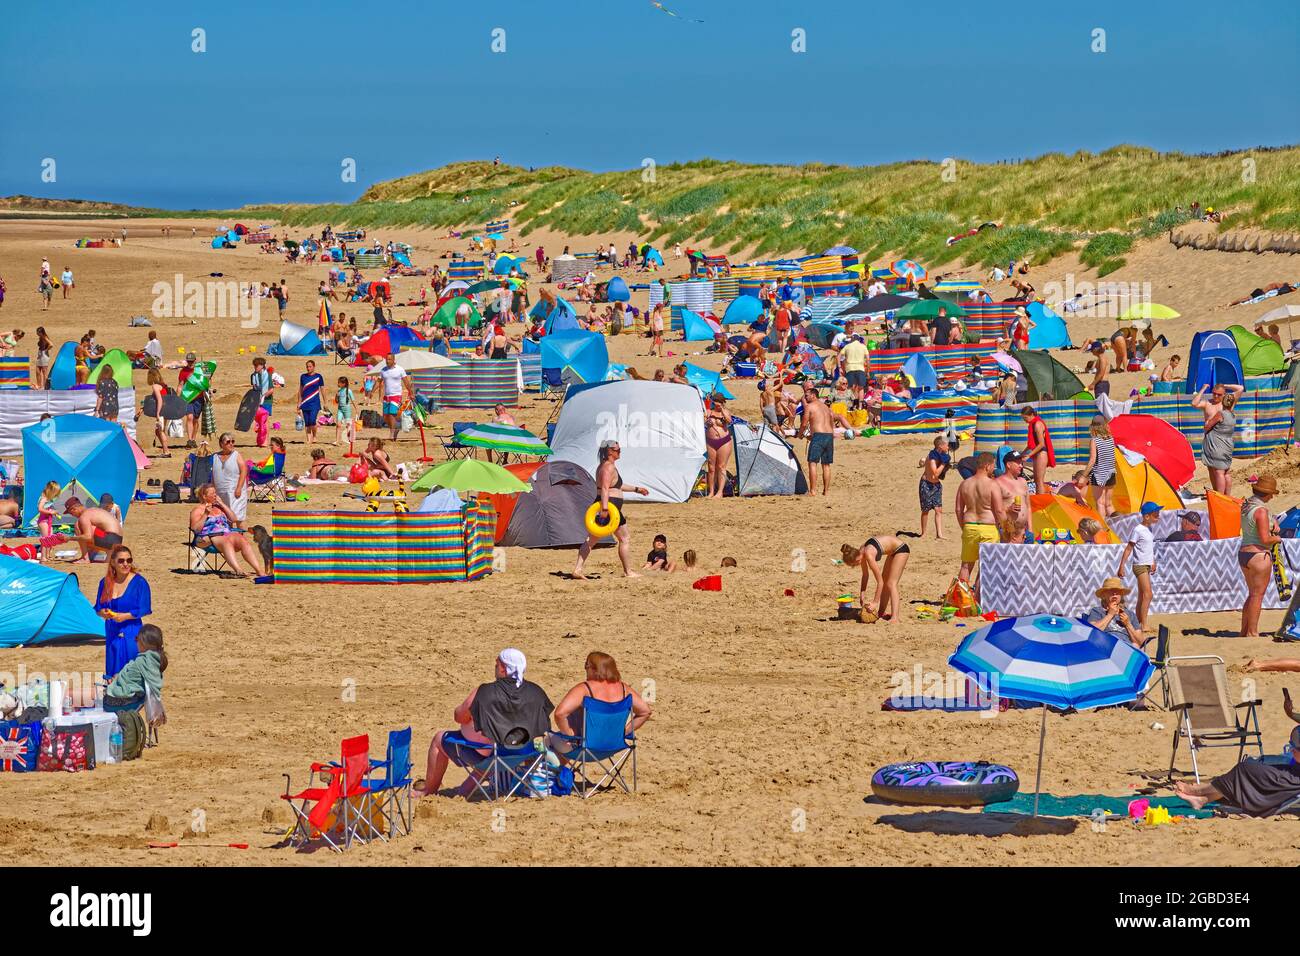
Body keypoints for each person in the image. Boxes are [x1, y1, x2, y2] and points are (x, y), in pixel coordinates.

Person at [411, 649, 554, 798]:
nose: (494, 666)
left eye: (496, 663)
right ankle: (466, 788)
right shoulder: (535, 691)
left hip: (491, 757)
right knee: (492, 743)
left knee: (439, 739)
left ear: (503, 669)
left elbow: (459, 716)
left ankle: (428, 790)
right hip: (524, 753)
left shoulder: (484, 692)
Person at [1174, 690, 1300, 815]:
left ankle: (1198, 791)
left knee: (1245, 769)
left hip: (1295, 778)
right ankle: (1202, 799)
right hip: (1293, 770)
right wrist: (1290, 714)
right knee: (1249, 766)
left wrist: (1295, 750)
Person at [551, 652, 653, 754]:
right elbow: (645, 712)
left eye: (586, 665)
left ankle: (562, 770)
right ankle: (564, 769)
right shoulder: (624, 689)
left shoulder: (584, 689)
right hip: (613, 747)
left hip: (584, 748)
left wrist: (569, 736)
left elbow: (560, 714)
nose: (585, 669)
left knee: (547, 740)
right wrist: (624, 732)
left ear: (594, 668)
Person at [574, 440, 648, 579]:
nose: (620, 452)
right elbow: (606, 488)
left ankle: (578, 570)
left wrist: (637, 489)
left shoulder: (606, 466)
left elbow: (617, 486)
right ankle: (628, 572)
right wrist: (605, 508)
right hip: (609, 506)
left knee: (592, 540)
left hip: (608, 505)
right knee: (625, 538)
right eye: (618, 450)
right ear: (610, 452)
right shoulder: (608, 467)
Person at [94, 544, 152, 680]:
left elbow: (144, 608)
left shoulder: (139, 582)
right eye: (121, 561)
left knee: (132, 670)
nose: (126, 564)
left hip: (132, 631)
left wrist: (125, 616)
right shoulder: (105, 582)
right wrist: (103, 613)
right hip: (112, 631)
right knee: (113, 671)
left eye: (129, 560)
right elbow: (98, 607)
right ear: (113, 563)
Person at [955, 452, 1007, 593]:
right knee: (985, 567)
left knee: (966, 566)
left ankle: (962, 600)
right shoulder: (992, 485)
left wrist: (963, 526)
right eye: (993, 466)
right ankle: (978, 599)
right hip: (988, 527)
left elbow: (959, 509)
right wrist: (1007, 529)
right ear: (987, 466)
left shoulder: (965, 484)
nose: (993, 469)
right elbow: (999, 511)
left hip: (970, 526)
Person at [188, 483, 266, 577]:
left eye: (216, 493)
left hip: (226, 533)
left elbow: (233, 519)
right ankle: (238, 570)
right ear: (204, 496)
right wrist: (205, 514)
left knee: (243, 540)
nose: (215, 495)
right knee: (226, 542)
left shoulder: (219, 507)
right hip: (207, 537)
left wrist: (222, 504)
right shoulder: (198, 510)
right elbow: (195, 529)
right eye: (212, 493)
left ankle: (259, 571)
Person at [1239, 476, 1282, 638]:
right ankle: (1252, 632)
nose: (1272, 497)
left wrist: (1273, 525)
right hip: (1258, 555)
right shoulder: (1261, 510)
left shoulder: (1247, 505)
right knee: (1257, 596)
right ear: (1266, 493)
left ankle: (1244, 631)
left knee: (1251, 594)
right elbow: (1265, 539)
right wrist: (1277, 538)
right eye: (1271, 494)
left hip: (1244, 552)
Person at [1117, 501, 1162, 633]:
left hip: (1146, 565)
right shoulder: (1137, 530)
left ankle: (1137, 622)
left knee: (1142, 596)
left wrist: (1152, 561)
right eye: (1155, 514)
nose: (1158, 516)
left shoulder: (1149, 529)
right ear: (1146, 516)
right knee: (1148, 594)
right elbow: (1128, 549)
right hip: (1140, 566)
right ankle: (1144, 625)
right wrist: (1121, 566)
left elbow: (1148, 548)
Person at [1192, 382, 1244, 495]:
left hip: (1219, 442)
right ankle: (1218, 492)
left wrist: (1225, 385)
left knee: (1220, 471)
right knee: (1212, 468)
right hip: (1213, 440)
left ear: (1224, 395)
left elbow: (1241, 388)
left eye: (1219, 394)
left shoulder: (1227, 403)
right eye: (1214, 394)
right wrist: (1203, 388)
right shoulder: (1209, 403)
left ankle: (1220, 495)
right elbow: (1194, 403)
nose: (1216, 396)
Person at [842, 536, 910, 622]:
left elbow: (879, 582)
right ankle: (881, 613)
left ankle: (895, 618)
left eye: (855, 563)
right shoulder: (861, 552)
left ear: (857, 557)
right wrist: (862, 593)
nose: (855, 565)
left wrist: (875, 602)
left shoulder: (868, 554)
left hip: (901, 550)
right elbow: (865, 575)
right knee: (886, 581)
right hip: (893, 551)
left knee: (891, 583)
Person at [104, 623, 166, 707]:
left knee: (95, 696)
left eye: (137, 639)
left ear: (143, 643)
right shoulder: (154, 659)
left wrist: (116, 680)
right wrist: (118, 678)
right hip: (132, 696)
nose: (135, 642)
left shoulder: (143, 661)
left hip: (123, 699)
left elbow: (128, 684)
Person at [1084, 577, 1148, 647]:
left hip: (1126, 648)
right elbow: (1092, 633)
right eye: (1111, 590)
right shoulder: (1097, 611)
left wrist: (1128, 624)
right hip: (1105, 647)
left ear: (1121, 595)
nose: (1114, 593)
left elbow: (1140, 643)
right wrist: (1110, 614)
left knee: (1135, 645)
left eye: (1118, 591)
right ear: (1104, 595)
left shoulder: (1130, 614)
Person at [799, 382, 834, 496]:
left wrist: (800, 435)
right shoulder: (826, 407)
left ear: (813, 395)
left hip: (818, 436)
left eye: (807, 395)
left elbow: (804, 424)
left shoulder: (810, 406)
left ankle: (813, 490)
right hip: (829, 435)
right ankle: (826, 491)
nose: (805, 397)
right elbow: (831, 422)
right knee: (826, 465)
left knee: (812, 463)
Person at [65, 496, 123, 563]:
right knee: (90, 528)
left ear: (74, 509)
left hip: (111, 540)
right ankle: (97, 554)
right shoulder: (93, 510)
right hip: (118, 541)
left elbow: (88, 536)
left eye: (71, 513)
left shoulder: (84, 516)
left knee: (78, 526)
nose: (72, 515)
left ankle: (85, 558)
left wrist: (69, 538)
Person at [369, 353, 411, 442]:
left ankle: (391, 434)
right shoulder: (383, 370)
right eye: (386, 359)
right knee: (385, 416)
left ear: (393, 360)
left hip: (396, 395)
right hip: (386, 396)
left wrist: (411, 392)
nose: (387, 361)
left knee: (392, 414)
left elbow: (406, 382)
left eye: (389, 359)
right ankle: (395, 429)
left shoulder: (400, 369)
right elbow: (378, 382)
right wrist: (372, 391)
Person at [212, 432, 248, 528]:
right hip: (221, 492)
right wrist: (213, 490)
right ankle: (230, 538)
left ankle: (241, 539)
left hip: (235, 491)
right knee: (226, 516)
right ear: (221, 444)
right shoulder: (215, 457)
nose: (231, 444)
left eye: (233, 441)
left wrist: (239, 488)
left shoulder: (236, 455)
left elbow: (244, 470)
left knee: (239, 517)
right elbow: (213, 475)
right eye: (228, 442)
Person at [918, 436, 950, 539]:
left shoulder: (942, 455)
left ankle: (939, 534)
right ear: (941, 446)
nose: (948, 447)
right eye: (947, 445)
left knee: (938, 510)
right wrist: (944, 464)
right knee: (926, 510)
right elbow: (935, 473)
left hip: (936, 485)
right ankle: (923, 533)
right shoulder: (932, 456)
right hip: (926, 484)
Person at [996, 451, 1032, 544]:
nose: (1021, 466)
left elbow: (1028, 507)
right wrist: (1008, 509)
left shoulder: (1023, 481)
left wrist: (1030, 530)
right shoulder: (998, 483)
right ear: (1008, 464)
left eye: (1021, 463)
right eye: (1018, 463)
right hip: (1008, 533)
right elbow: (994, 509)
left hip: (1024, 532)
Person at [1085, 415, 1117, 515]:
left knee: (1100, 503)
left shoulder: (1094, 441)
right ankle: (1117, 526)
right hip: (1111, 473)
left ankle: (1102, 529)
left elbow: (1092, 460)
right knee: (1109, 503)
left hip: (1099, 474)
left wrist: (1084, 475)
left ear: (1093, 427)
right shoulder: (1111, 439)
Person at [1020, 405, 1055, 493]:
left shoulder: (1037, 424)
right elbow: (1031, 444)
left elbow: (1041, 444)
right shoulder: (1032, 424)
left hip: (1041, 453)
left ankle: (1041, 501)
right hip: (1038, 453)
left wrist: (1028, 455)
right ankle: (1040, 498)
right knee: (1036, 480)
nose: (1024, 420)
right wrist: (1022, 453)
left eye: (1025, 418)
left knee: (1039, 481)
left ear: (1031, 414)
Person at [704, 399, 733, 499]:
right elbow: (703, 422)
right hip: (710, 441)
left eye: (719, 402)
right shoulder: (709, 412)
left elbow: (729, 421)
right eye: (715, 401)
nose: (717, 404)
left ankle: (720, 492)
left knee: (721, 466)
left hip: (724, 441)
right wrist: (707, 421)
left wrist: (723, 411)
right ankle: (711, 491)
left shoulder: (726, 412)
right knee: (711, 467)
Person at [146, 367, 172, 458]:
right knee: (159, 431)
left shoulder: (155, 386)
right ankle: (165, 450)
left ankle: (166, 451)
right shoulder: (163, 385)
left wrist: (157, 413)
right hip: (167, 409)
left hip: (162, 411)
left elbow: (159, 400)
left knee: (160, 431)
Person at [297, 359, 325, 444]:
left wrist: (325, 402)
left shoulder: (318, 377)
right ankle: (309, 439)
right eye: (307, 367)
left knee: (312, 420)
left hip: (315, 402)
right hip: (305, 402)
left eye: (310, 366)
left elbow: (323, 390)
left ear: (314, 367)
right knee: (307, 422)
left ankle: (315, 436)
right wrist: (299, 403)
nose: (308, 368)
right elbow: (300, 390)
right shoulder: (303, 377)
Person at [250, 357, 274, 448]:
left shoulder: (268, 375)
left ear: (262, 365)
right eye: (254, 365)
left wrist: (263, 396)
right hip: (256, 401)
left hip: (266, 401)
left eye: (257, 365)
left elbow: (271, 390)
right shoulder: (253, 376)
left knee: (265, 421)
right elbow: (254, 389)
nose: (255, 367)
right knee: (259, 422)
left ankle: (265, 441)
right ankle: (260, 440)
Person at [335, 376, 355, 446]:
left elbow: (353, 401)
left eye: (339, 382)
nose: (338, 383)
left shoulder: (349, 391)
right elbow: (337, 401)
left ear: (344, 383)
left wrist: (356, 409)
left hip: (347, 409)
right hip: (340, 409)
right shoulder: (339, 391)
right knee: (338, 424)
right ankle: (337, 440)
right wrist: (336, 396)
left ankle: (348, 439)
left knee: (348, 425)